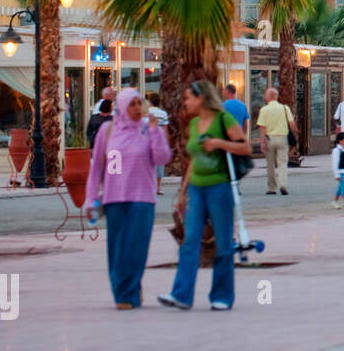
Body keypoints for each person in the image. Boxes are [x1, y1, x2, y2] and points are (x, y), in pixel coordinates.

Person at [158, 79, 249, 311]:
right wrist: (183, 192)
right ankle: (181, 294)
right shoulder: (195, 123)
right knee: (190, 241)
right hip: (197, 189)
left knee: (223, 241)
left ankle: (222, 296)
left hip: (219, 187)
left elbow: (245, 148)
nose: (185, 103)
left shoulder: (223, 120)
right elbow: (193, 161)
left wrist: (219, 143)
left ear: (202, 98)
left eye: (189, 98)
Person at [84, 88, 170, 310]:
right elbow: (97, 168)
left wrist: (154, 132)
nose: (136, 108)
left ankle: (128, 292)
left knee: (136, 247)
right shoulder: (108, 130)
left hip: (143, 198)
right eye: (131, 104)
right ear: (121, 106)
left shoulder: (148, 129)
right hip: (114, 198)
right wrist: (91, 199)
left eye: (139, 103)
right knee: (118, 248)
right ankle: (123, 291)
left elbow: (162, 157)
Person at [256, 87, 296, 195]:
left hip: (270, 138)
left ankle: (272, 188)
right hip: (282, 138)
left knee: (270, 164)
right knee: (282, 162)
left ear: (269, 97)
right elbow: (291, 124)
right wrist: (291, 132)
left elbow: (262, 128)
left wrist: (262, 142)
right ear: (276, 97)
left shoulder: (264, 110)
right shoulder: (284, 108)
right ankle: (283, 184)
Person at [145, 91, 169, 194]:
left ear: (150, 101)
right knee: (159, 166)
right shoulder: (163, 114)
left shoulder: (146, 113)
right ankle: (157, 188)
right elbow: (165, 130)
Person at [330, 131, 344, 210]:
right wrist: (336, 174)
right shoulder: (336, 150)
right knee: (343, 187)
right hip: (340, 172)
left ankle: (334, 201)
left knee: (340, 188)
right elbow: (335, 163)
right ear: (340, 141)